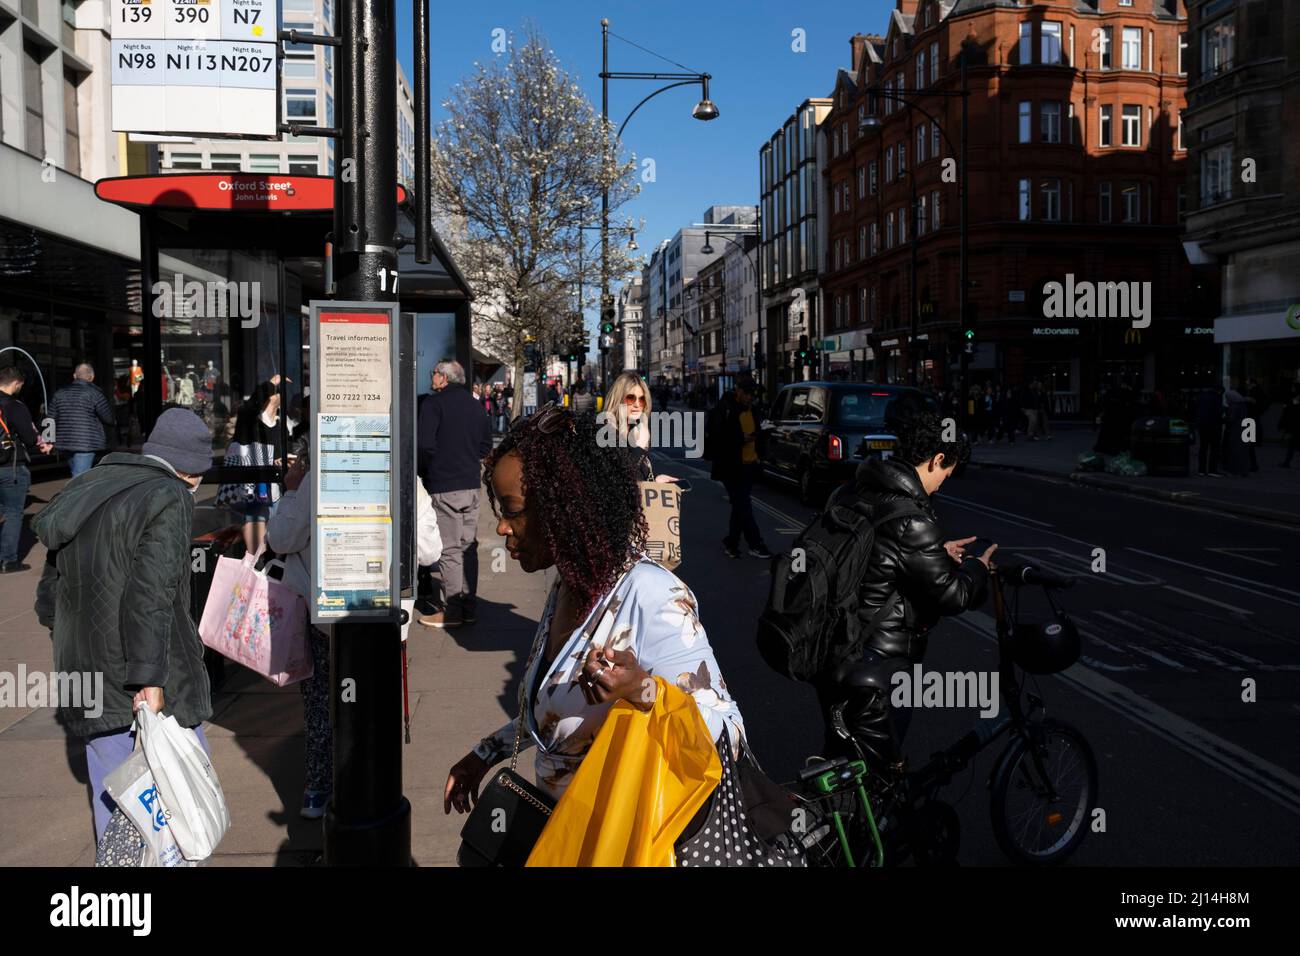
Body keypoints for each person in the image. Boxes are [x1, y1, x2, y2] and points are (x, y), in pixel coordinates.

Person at [443, 405, 746, 815]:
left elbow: (729, 738)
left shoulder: (651, 594)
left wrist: (641, 689)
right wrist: (486, 752)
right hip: (564, 837)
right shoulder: (569, 586)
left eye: (512, 510)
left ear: (565, 506)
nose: (501, 527)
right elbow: (556, 714)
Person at [32, 408, 215, 844]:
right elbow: (150, 594)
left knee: (112, 796)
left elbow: (47, 597)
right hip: (147, 670)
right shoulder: (169, 496)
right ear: (190, 469)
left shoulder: (85, 487)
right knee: (186, 793)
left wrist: (76, 638)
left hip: (84, 666)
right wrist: (149, 678)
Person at [817, 410, 994, 767]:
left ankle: (830, 817)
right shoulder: (912, 518)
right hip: (878, 661)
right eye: (947, 471)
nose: (944, 481)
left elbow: (871, 556)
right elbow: (952, 596)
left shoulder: (848, 491)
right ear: (938, 458)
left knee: (844, 761)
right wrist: (978, 568)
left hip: (832, 645)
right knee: (879, 771)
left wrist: (932, 553)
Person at [417, 360, 491, 628]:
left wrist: (428, 469)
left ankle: (453, 611)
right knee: (468, 548)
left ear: (444, 378)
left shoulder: (432, 405)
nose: (431, 376)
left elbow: (424, 445)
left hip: (444, 485)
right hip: (471, 484)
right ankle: (469, 607)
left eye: (433, 372)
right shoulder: (475, 405)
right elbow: (485, 445)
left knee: (449, 549)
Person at [706, 374, 772, 559]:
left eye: (753, 394)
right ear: (738, 391)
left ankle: (731, 542)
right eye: (748, 393)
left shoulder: (754, 410)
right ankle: (756, 543)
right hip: (731, 467)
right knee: (744, 505)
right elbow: (717, 436)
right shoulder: (725, 410)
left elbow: (758, 433)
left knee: (739, 507)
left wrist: (762, 439)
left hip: (750, 465)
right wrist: (741, 439)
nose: (751, 397)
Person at [217, 377, 286, 553]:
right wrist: (271, 383)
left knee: (273, 528)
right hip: (254, 489)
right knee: (255, 526)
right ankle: (254, 565)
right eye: (274, 395)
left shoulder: (279, 424)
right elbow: (251, 405)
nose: (277, 398)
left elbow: (278, 452)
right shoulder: (250, 420)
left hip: (274, 490)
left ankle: (263, 563)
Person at [0, 365, 53, 573]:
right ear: (16, 383)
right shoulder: (15, 406)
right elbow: (30, 438)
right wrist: (42, 443)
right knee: (13, 512)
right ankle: (8, 560)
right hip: (10, 467)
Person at [602, 371, 677, 483]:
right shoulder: (605, 431)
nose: (637, 404)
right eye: (631, 398)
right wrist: (640, 447)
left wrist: (654, 478)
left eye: (641, 399)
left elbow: (637, 472)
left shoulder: (634, 429)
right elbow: (617, 479)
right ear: (619, 399)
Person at [49, 364, 115, 478]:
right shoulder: (95, 394)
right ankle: (77, 496)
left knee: (76, 473)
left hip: (65, 442)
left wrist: (47, 440)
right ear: (92, 377)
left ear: (74, 375)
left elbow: (50, 418)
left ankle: (77, 494)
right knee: (79, 477)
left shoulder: (59, 393)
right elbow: (108, 419)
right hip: (86, 442)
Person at [1195, 382, 1225, 477]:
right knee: (1214, 448)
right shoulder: (1217, 398)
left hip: (1202, 425)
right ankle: (1212, 470)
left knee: (1203, 447)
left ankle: (1201, 470)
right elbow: (1218, 412)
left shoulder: (1201, 396)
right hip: (1214, 426)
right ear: (1220, 391)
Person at [1281, 385, 1300, 468]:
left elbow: (1292, 410)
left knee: (1292, 445)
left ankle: (1286, 462)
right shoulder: (1295, 399)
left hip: (1295, 425)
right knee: (1293, 445)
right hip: (1295, 425)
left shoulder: (1295, 399)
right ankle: (1286, 462)